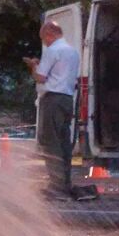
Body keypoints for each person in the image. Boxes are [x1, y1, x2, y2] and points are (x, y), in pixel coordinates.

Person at [24, 20, 79, 199]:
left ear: (50, 34)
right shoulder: (73, 52)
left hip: (52, 99)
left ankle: (56, 187)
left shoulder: (53, 50)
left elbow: (40, 77)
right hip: (67, 99)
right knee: (64, 143)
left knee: (50, 142)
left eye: (44, 39)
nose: (45, 43)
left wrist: (33, 66)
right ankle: (65, 184)